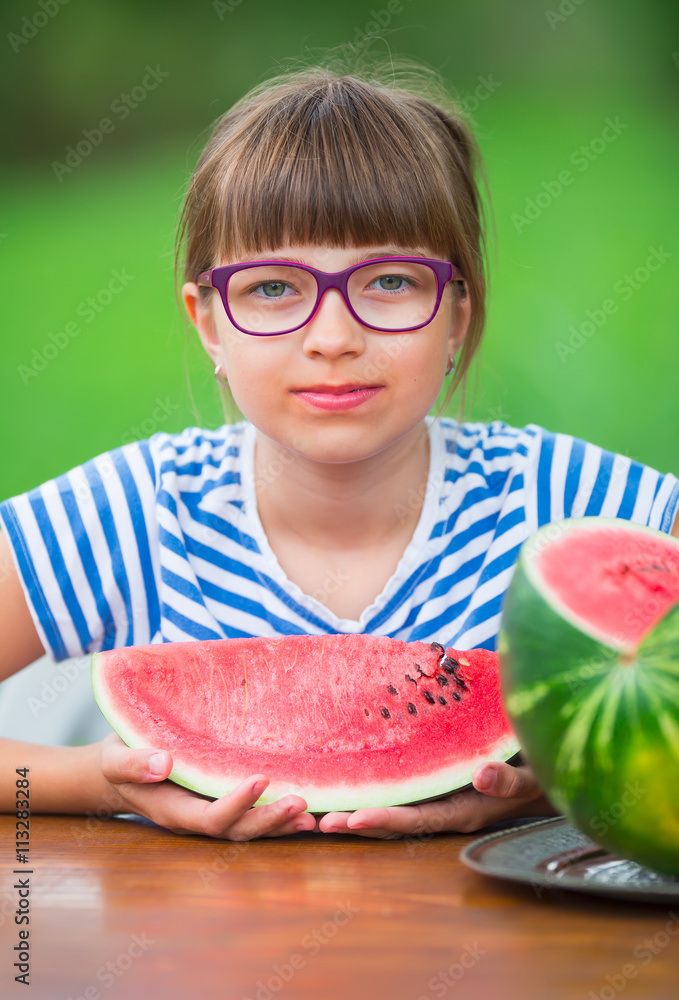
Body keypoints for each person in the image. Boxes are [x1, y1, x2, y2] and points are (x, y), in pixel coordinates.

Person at [1, 60, 677, 842]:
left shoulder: (562, 503)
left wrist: (551, 789)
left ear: (457, 313)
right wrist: (92, 780)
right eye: (273, 289)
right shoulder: (141, 510)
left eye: (390, 281)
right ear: (208, 323)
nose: (333, 339)